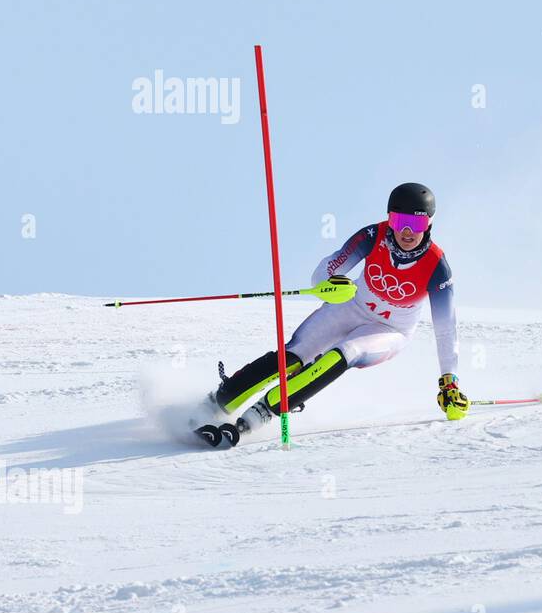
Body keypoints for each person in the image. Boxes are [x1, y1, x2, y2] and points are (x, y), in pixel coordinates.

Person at [193, 182, 468, 446]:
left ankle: (258, 416)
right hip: (351, 308)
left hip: (390, 331)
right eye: (399, 221)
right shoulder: (372, 236)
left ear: (429, 223)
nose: (407, 231)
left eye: (417, 223)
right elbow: (325, 270)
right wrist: (329, 283)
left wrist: (449, 381)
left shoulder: (437, 266)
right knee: (296, 353)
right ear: (389, 219)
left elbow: (446, 329)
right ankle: (217, 402)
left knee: (344, 353)